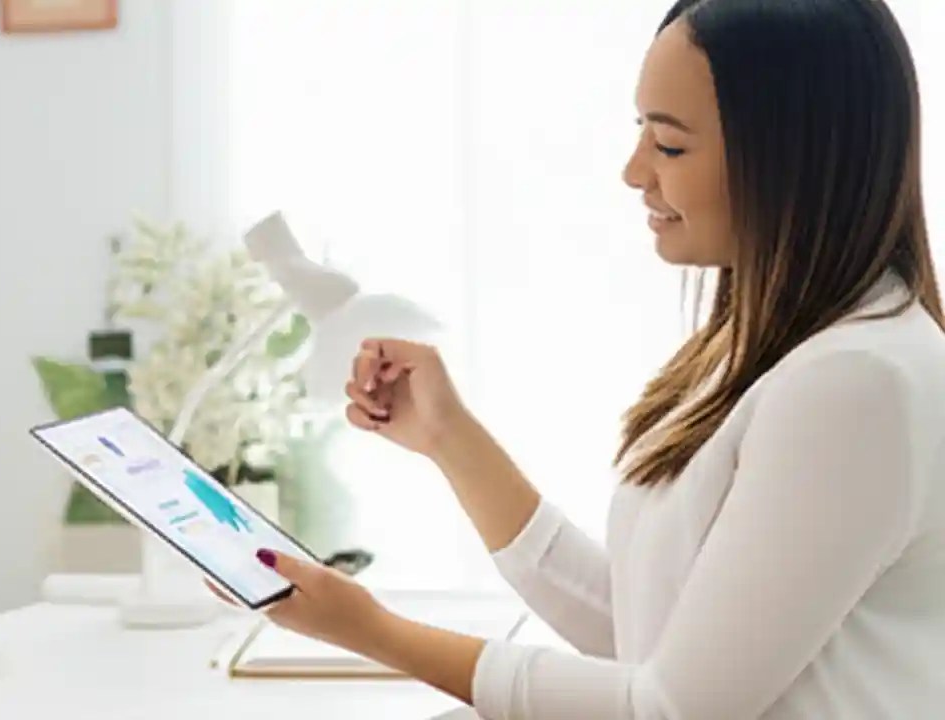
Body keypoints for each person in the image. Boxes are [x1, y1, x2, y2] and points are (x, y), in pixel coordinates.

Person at [229, 0, 945, 717]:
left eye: (669, 146)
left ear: (792, 160)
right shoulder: (780, 355)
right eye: (641, 131)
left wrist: (371, 631)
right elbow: (649, 635)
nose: (634, 172)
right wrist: (449, 439)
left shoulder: (856, 386)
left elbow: (668, 707)